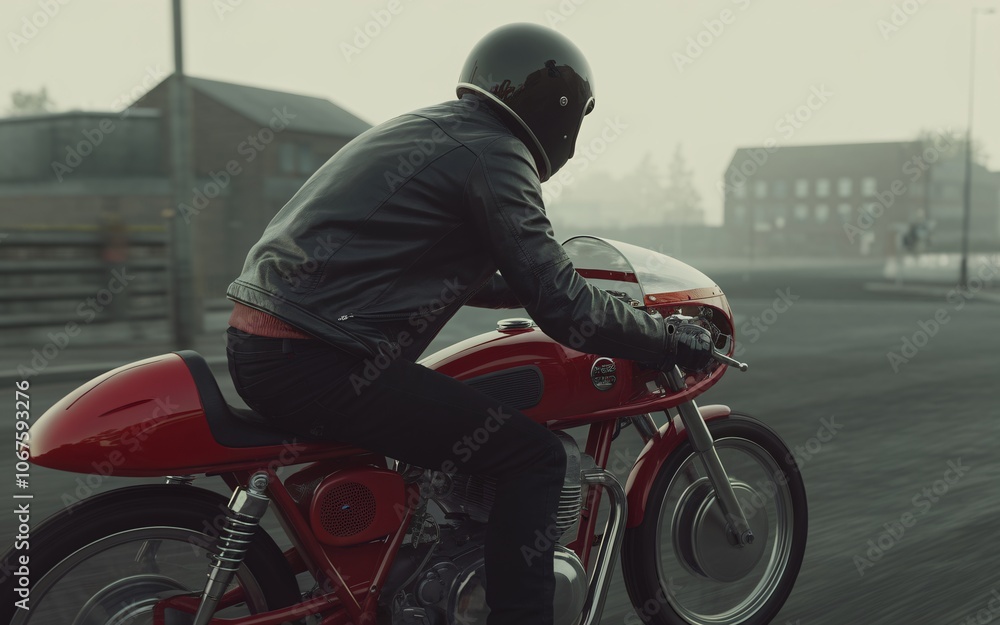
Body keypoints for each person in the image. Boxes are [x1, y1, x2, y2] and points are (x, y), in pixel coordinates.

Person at [225, 23, 713, 625]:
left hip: (273, 342)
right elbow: (567, 311)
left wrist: (545, 280)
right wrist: (664, 336)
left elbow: (456, 269)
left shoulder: (436, 130)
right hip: (318, 357)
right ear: (558, 111)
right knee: (532, 459)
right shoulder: (496, 155)